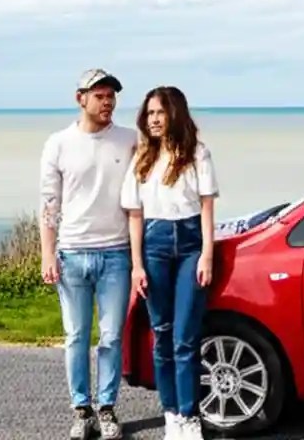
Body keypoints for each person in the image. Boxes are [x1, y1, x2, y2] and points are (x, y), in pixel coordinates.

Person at [39, 68, 138, 440]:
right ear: (80, 98)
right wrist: (48, 254)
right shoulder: (58, 143)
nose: (108, 101)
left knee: (111, 336)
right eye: (100, 95)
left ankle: (107, 407)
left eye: (112, 95)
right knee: (76, 335)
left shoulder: (130, 139)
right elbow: (49, 203)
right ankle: (82, 409)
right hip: (72, 253)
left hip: (115, 253)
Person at [120, 85, 219, 440]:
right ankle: (172, 414)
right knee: (161, 334)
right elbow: (134, 216)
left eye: (160, 112)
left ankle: (190, 416)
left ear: (175, 113)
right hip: (155, 245)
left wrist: (207, 254)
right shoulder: (142, 160)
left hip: (192, 244)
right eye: (149, 114)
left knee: (185, 338)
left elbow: (207, 206)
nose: (155, 120)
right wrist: (137, 266)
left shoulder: (197, 154)